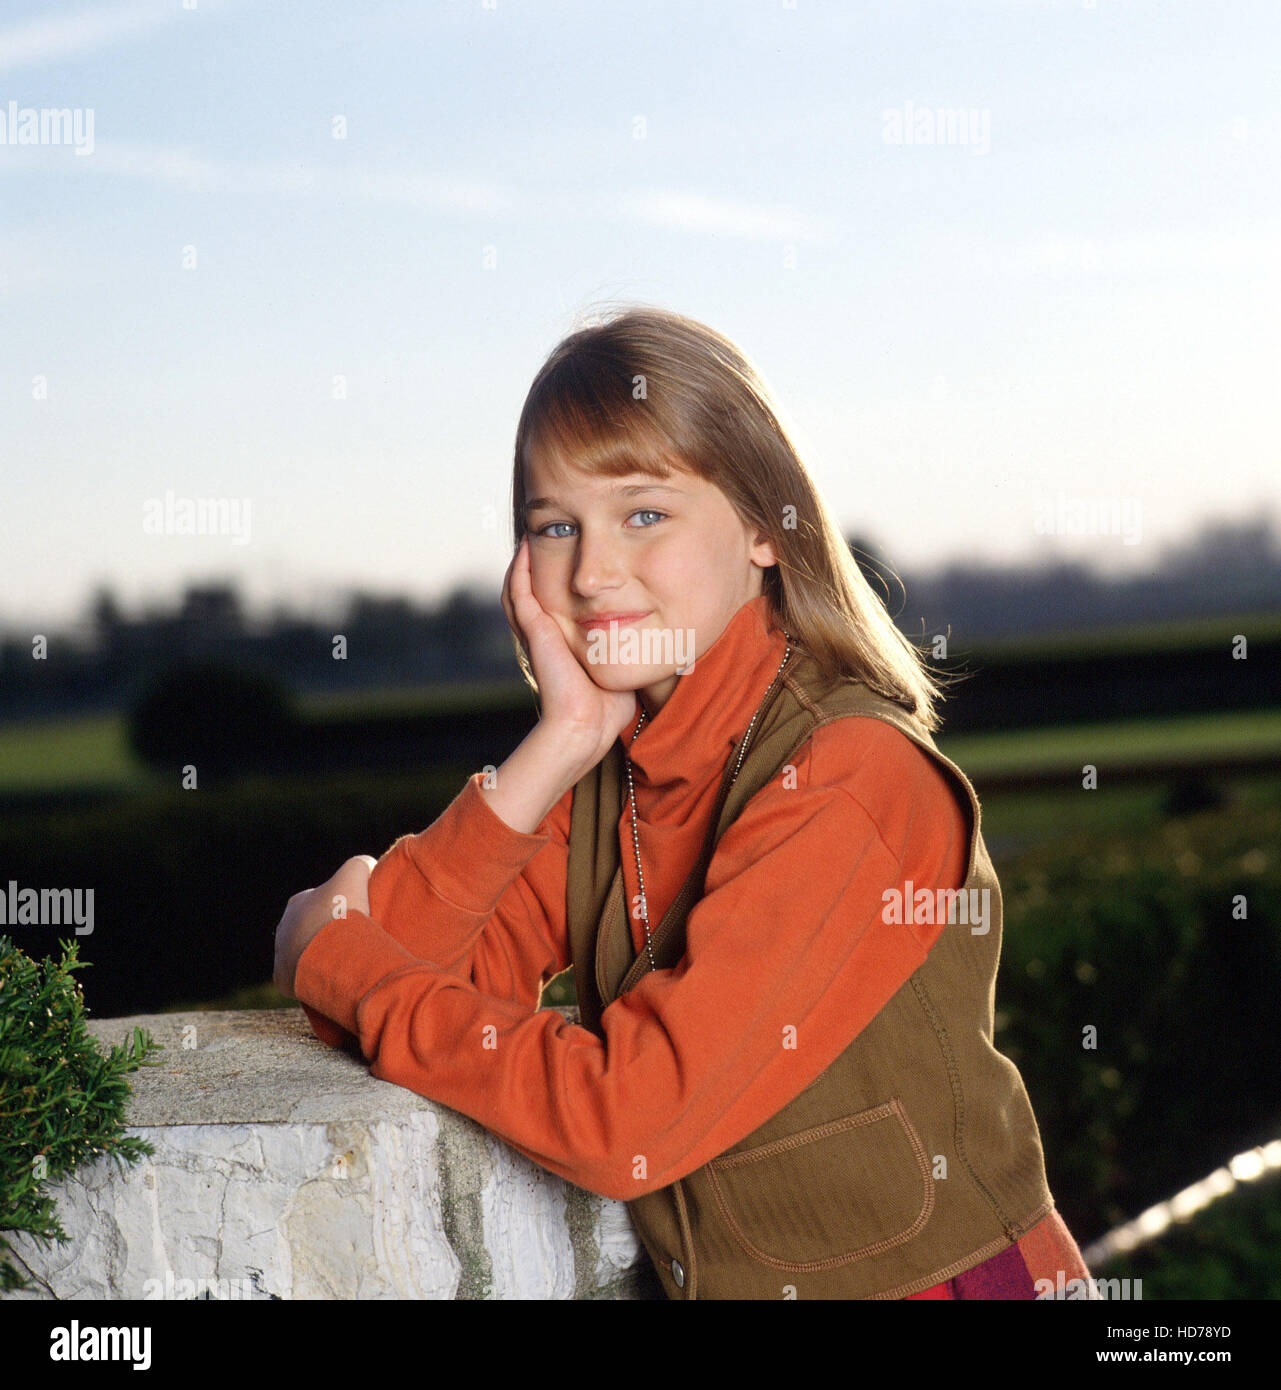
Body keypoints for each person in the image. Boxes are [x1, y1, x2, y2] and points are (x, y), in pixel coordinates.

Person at [273, 305, 1092, 1300]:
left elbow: (629, 1118)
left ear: (762, 526)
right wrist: (557, 742)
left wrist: (340, 957)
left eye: (643, 515)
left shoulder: (851, 776)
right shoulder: (608, 772)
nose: (591, 572)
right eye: (555, 526)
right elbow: (387, 980)